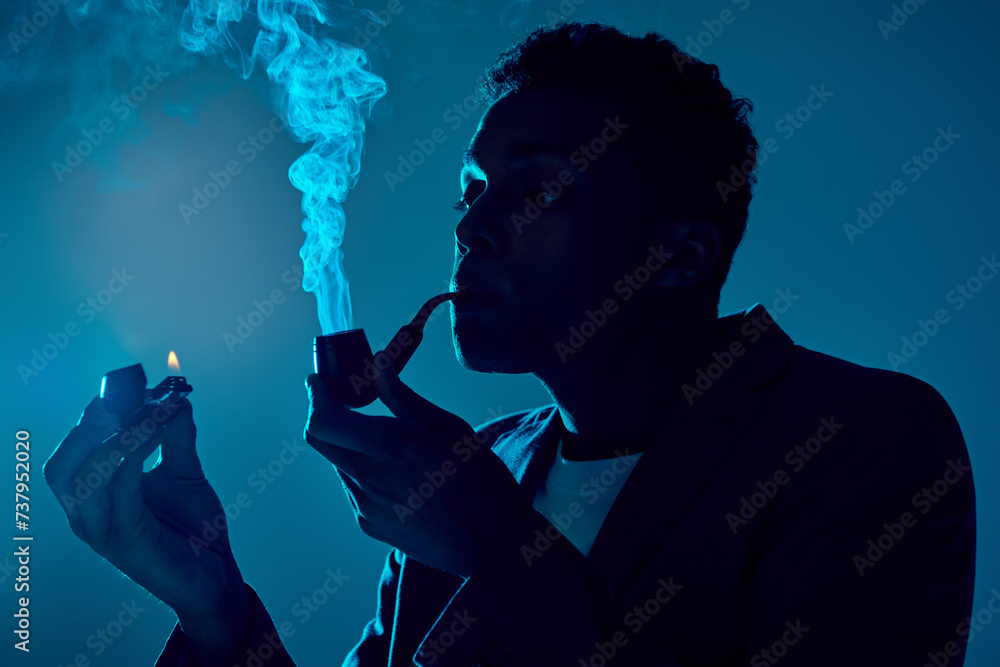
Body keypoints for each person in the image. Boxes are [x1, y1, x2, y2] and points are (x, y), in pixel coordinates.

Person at [45, 21, 976, 666]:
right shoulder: (482, 465)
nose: (472, 228)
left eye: (539, 191)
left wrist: (500, 547)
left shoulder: (863, 437)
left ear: (681, 255)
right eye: (471, 191)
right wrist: (212, 607)